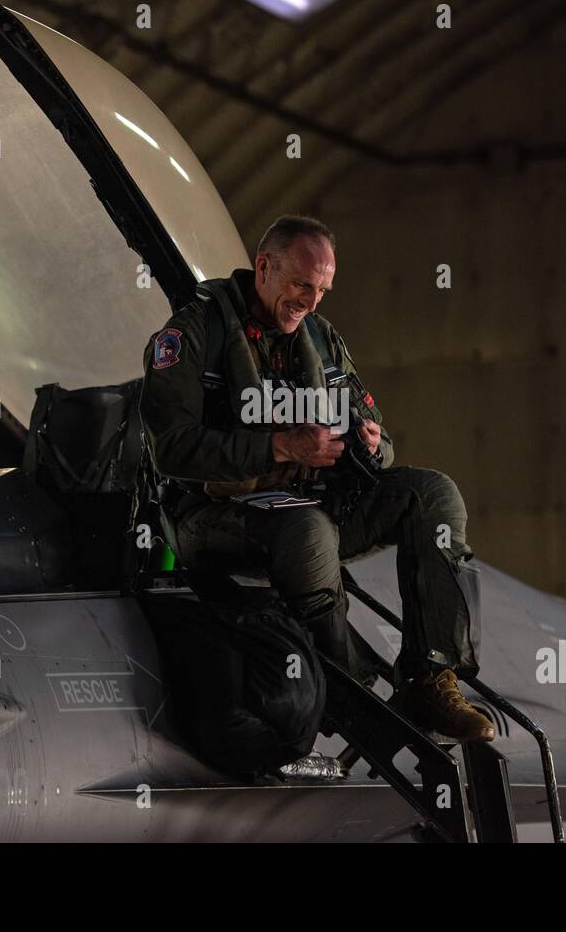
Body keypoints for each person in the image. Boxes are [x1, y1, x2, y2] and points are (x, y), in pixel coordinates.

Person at [140, 214, 493, 743]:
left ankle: (430, 678)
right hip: (213, 520)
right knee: (308, 532)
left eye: (323, 289)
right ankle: (352, 689)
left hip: (310, 506)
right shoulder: (191, 334)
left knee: (432, 493)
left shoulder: (321, 338)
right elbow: (169, 448)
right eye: (302, 284)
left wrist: (371, 447)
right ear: (264, 268)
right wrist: (278, 445)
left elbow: (381, 438)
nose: (312, 300)